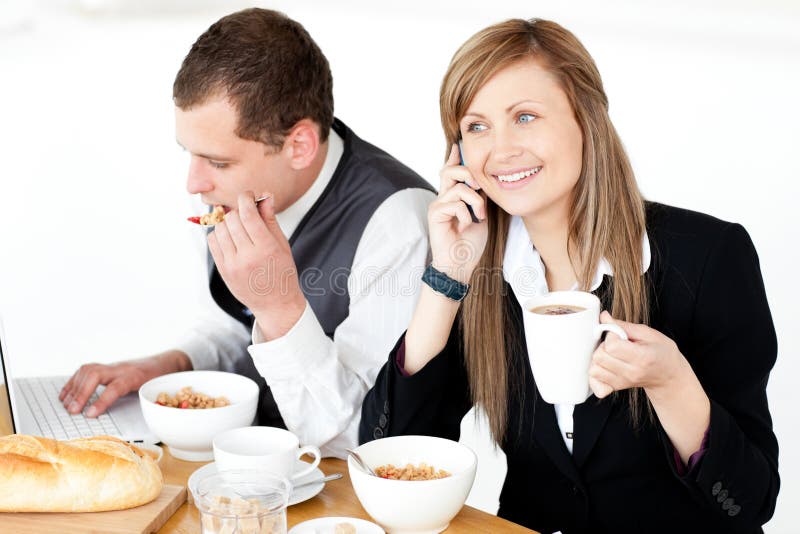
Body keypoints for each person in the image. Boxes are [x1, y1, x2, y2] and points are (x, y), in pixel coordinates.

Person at [360, 18, 779, 534]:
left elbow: (750, 501)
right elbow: (391, 460)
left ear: (587, 117)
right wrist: (447, 276)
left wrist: (670, 383)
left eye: (526, 116)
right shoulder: (484, 270)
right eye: (477, 126)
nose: (501, 149)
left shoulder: (710, 257)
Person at [59, 8, 435, 457]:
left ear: (298, 145)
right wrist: (175, 365)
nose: (194, 183)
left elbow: (365, 436)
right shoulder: (227, 191)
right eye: (190, 154)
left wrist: (279, 307)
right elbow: (235, 322)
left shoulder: (398, 221)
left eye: (218, 161)